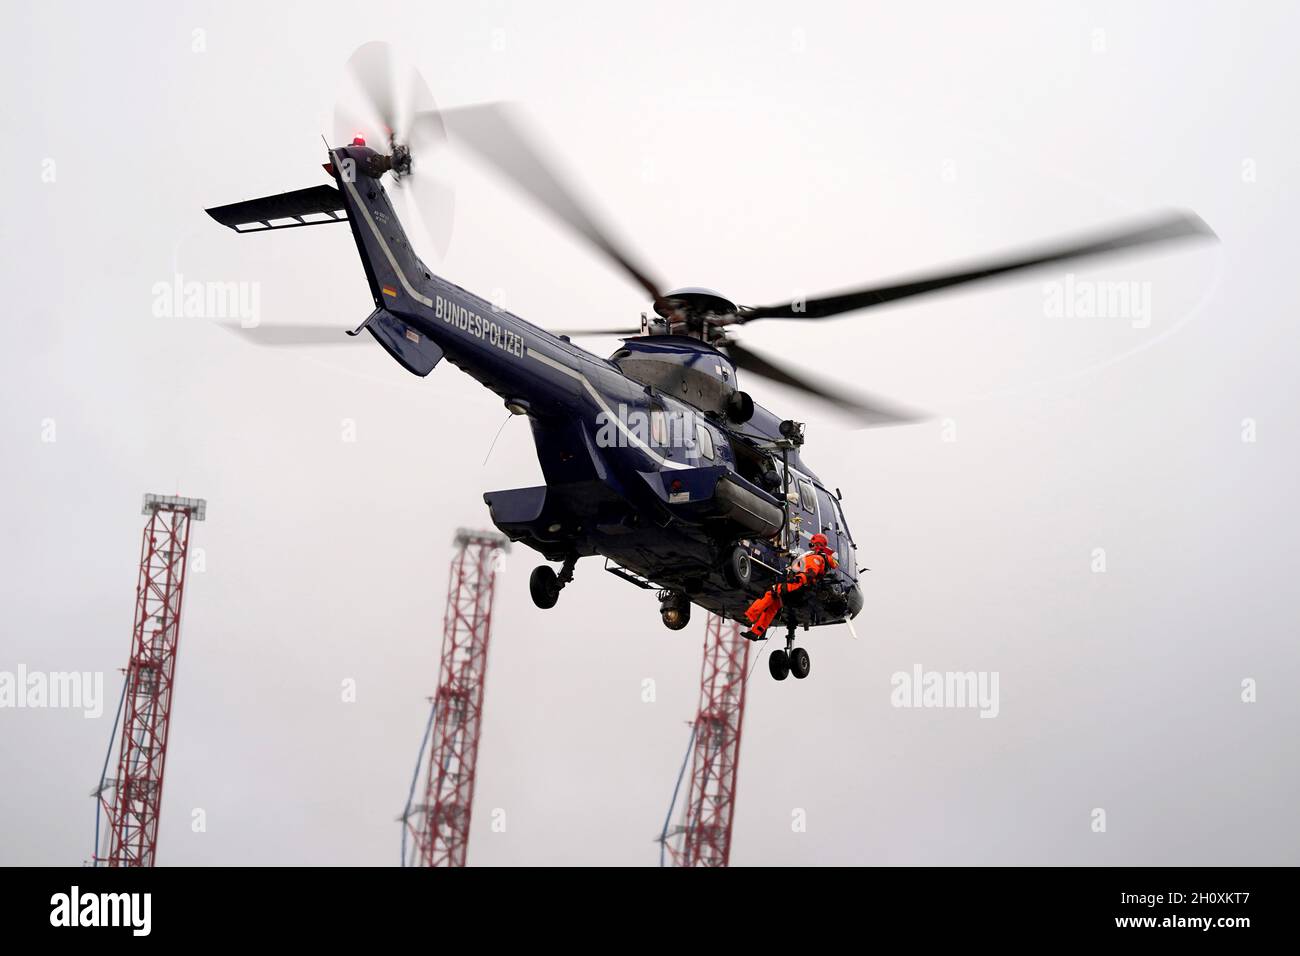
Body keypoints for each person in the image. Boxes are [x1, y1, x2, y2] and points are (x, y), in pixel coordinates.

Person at [742, 533, 838, 641]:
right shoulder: (816, 557)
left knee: (771, 592)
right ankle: (755, 632)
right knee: (773, 606)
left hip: (796, 585)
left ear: (818, 544)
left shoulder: (816, 558)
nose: (810, 546)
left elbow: (811, 573)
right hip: (798, 589)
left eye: (812, 544)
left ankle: (749, 617)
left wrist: (798, 578)